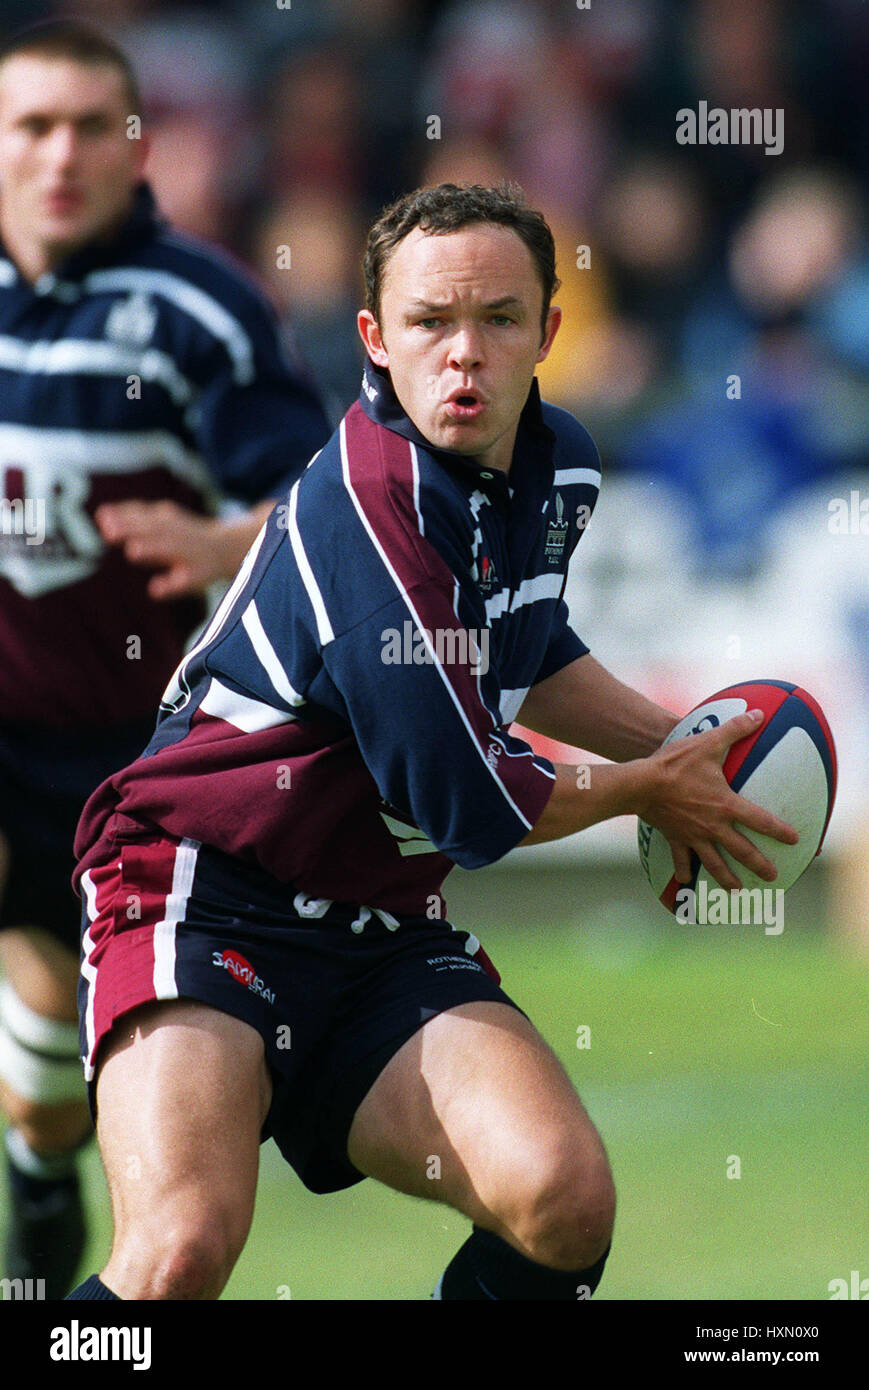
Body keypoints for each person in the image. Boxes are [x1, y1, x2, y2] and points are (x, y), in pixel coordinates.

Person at [66, 182, 797, 1301]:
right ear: (373, 339)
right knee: (174, 1260)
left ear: (551, 330)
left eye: (499, 319)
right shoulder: (371, 507)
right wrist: (655, 788)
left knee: (559, 1198)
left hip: (378, 928)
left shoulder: (555, 466)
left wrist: (692, 747)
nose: (465, 354)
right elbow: (462, 794)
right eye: (428, 323)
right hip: (202, 896)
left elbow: (530, 640)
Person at [0, 20, 330, 1298]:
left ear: (136, 144)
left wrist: (220, 538)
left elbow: (329, 522)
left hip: (130, 762)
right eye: (32, 125)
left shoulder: (202, 313)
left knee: (50, 1107)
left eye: (91, 124)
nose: (60, 153)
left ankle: (38, 1176)